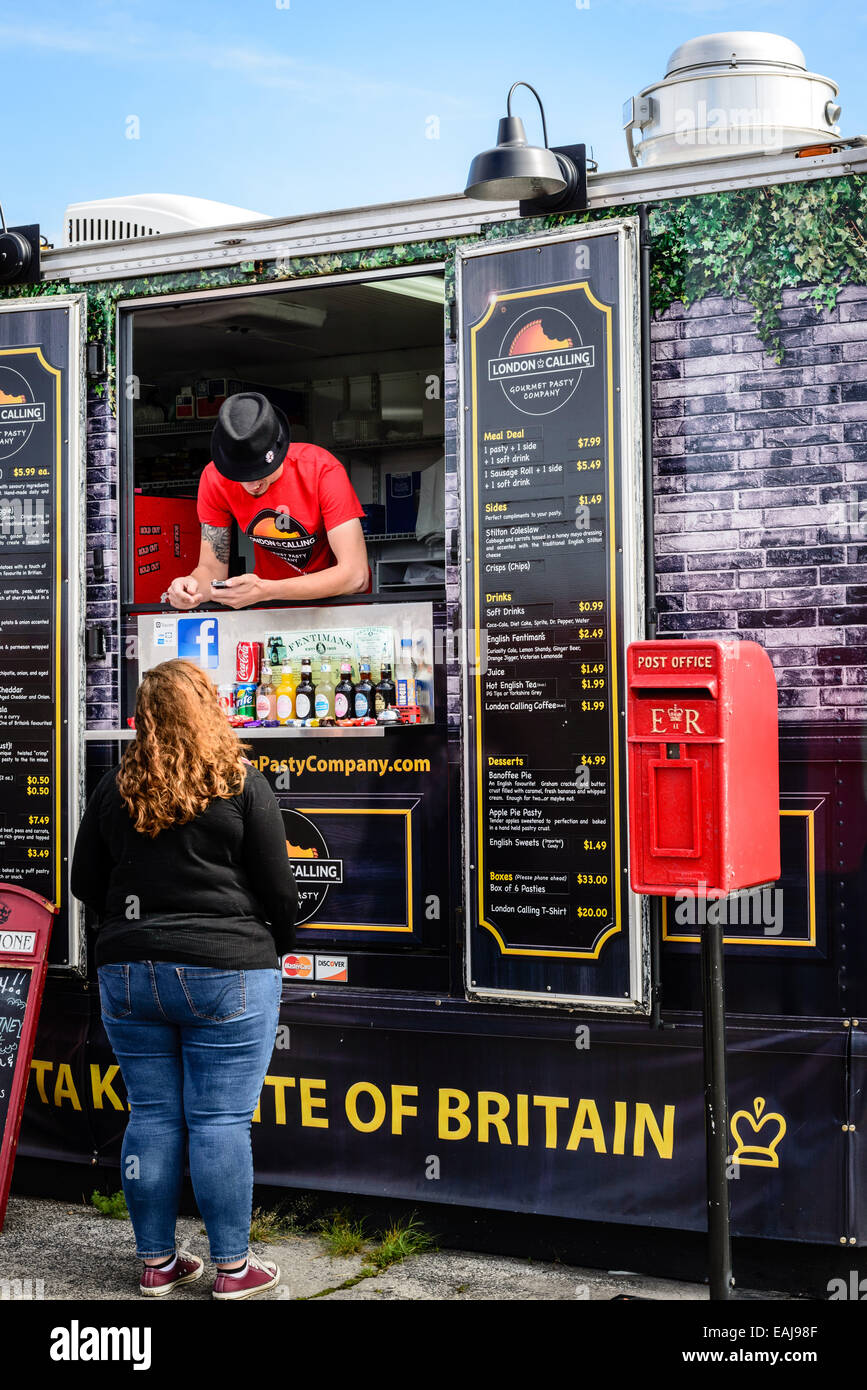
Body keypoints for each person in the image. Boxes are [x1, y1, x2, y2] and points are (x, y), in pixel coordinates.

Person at [70, 659, 298, 1300]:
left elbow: (83, 884)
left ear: (144, 719)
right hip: (228, 971)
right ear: (208, 707)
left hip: (129, 973)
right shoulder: (240, 783)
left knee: (152, 1115)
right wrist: (267, 949)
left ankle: (157, 1264)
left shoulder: (116, 789)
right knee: (221, 1119)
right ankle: (232, 1269)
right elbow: (281, 892)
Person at [166, 391, 370, 610]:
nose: (252, 485)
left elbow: (355, 577)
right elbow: (211, 570)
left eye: (260, 474)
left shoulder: (321, 469)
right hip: (273, 609)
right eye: (241, 477)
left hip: (338, 608)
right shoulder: (215, 479)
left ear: (278, 451)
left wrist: (266, 590)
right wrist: (191, 587)